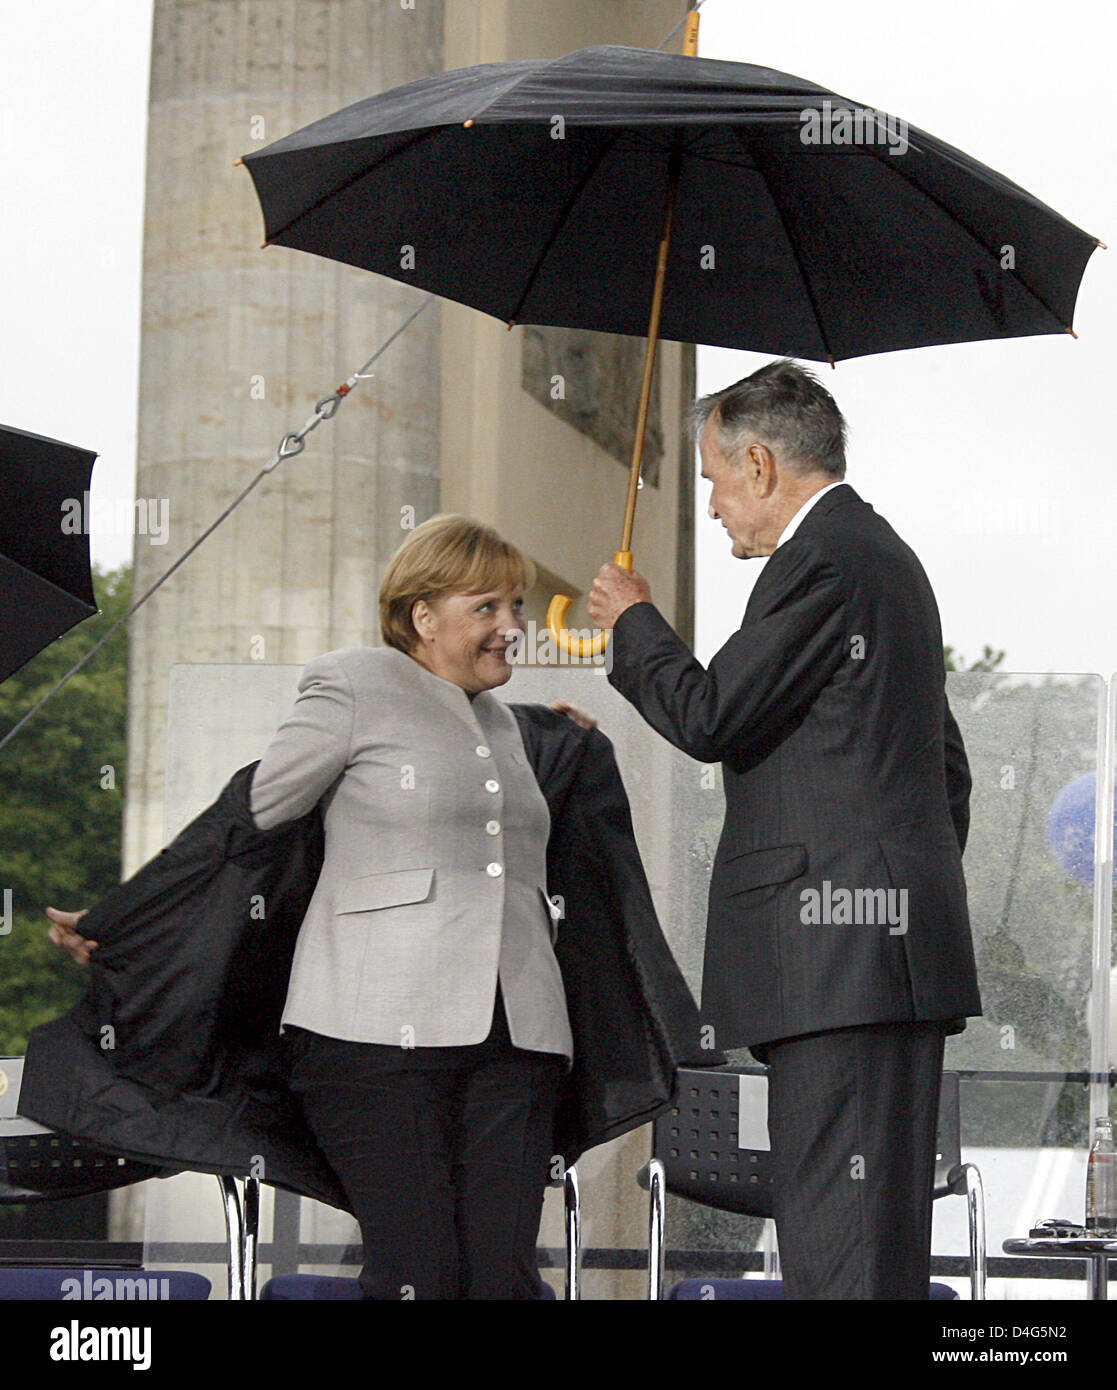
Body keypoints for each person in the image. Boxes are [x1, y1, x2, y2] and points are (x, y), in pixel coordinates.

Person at [48, 513, 601, 1301]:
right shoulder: (352, 684)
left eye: (515, 608)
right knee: (420, 1272)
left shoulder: (511, 729)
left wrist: (555, 731)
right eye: (488, 608)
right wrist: (127, 916)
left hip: (520, 1040)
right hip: (371, 1037)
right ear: (421, 616)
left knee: (503, 1280)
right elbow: (249, 821)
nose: (512, 626)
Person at [587, 359, 982, 1300]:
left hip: (837, 971)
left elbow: (710, 714)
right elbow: (947, 773)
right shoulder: (878, 560)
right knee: (865, 1252)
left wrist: (634, 622)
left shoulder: (827, 560)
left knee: (839, 1259)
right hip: (867, 965)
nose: (714, 505)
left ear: (758, 464)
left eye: (715, 481)